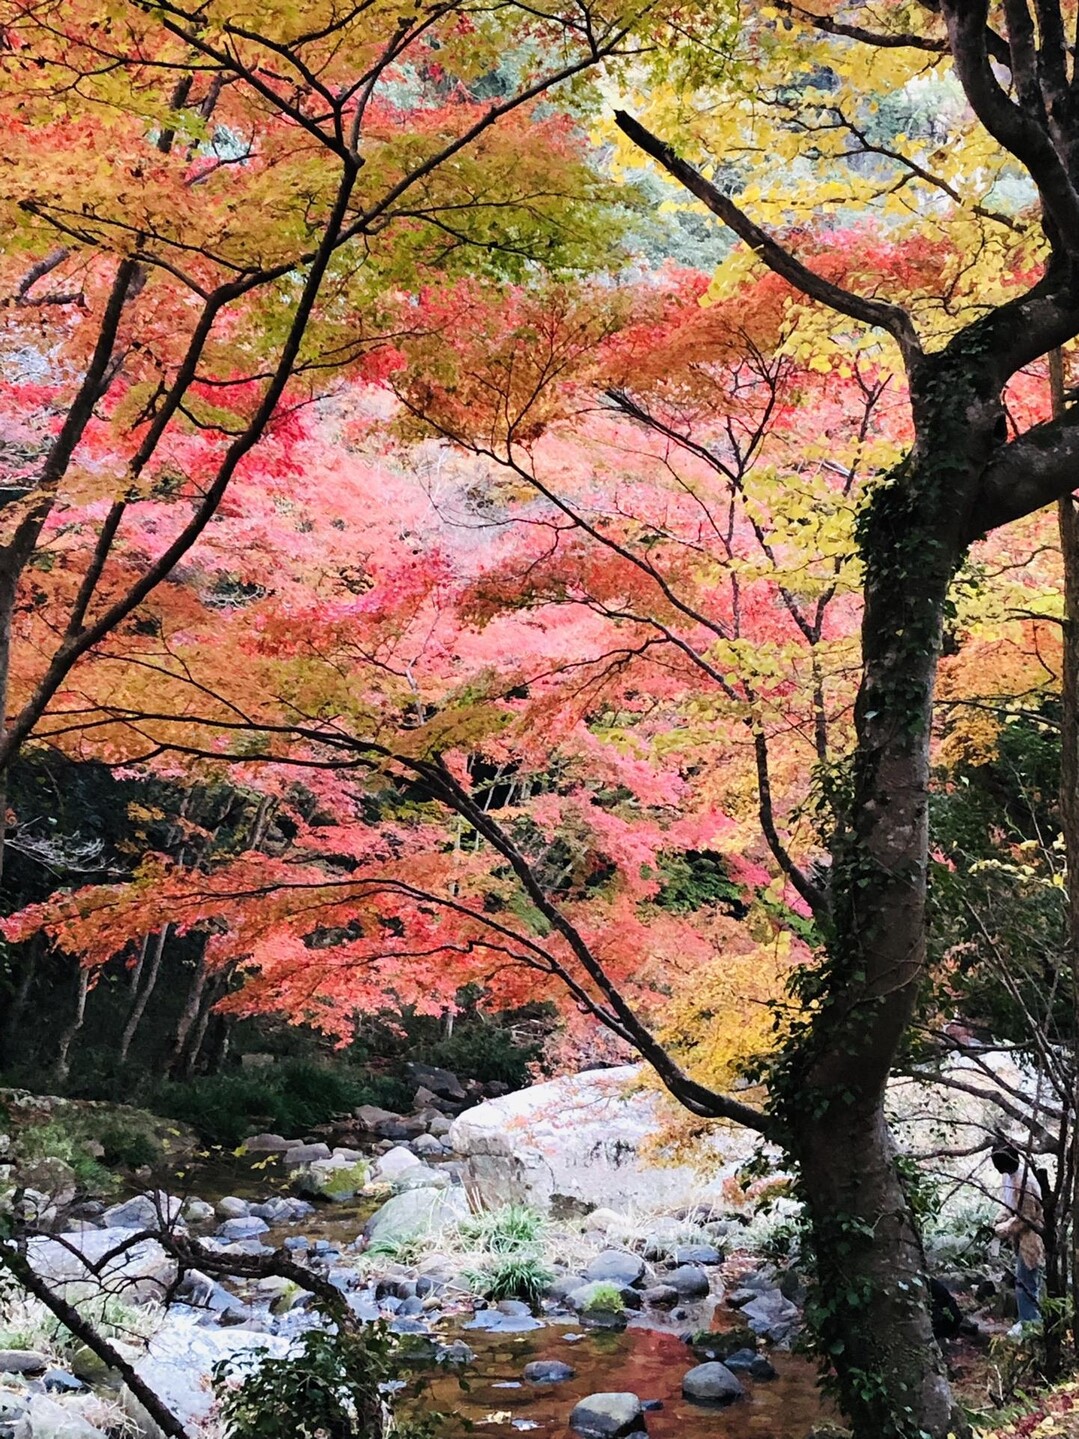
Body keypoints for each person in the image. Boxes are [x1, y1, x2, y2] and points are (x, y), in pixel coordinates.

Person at [991, 1140, 1045, 1331]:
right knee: (1022, 1281)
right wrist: (1000, 1219)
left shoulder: (1025, 1181)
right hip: (1018, 1235)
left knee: (1026, 1284)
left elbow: (1027, 1217)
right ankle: (1027, 1321)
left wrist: (1004, 1229)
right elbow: (1009, 1205)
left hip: (1031, 1237)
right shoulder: (1008, 1177)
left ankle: (1031, 1325)